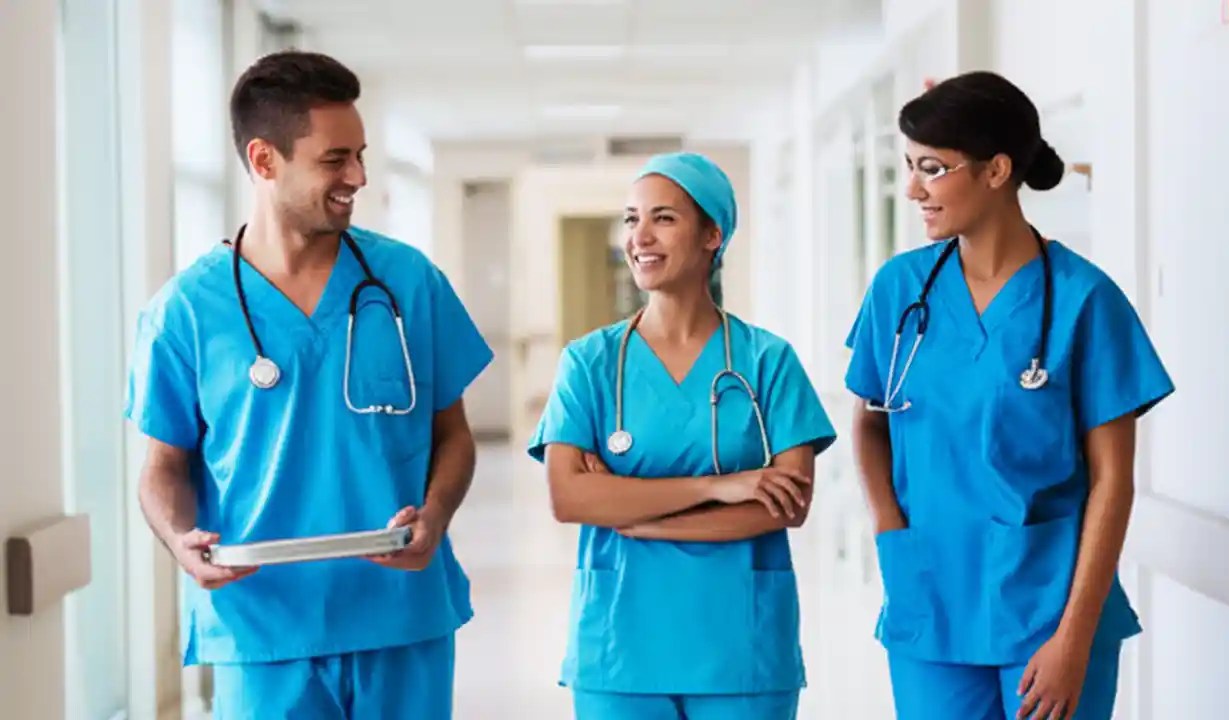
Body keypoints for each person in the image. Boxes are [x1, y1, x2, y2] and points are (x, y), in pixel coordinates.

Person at [123, 50, 492, 719]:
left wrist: (434, 515)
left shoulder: (409, 282)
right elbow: (162, 468)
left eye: (360, 154)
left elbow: (453, 436)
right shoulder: (184, 312)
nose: (358, 176)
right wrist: (181, 540)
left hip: (399, 615)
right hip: (262, 624)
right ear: (265, 161)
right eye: (334, 160)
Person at [844, 70, 1175, 720]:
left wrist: (1074, 638)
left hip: (1049, 607)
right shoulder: (899, 290)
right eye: (909, 167)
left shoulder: (1084, 300)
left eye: (932, 169)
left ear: (996, 170)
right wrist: (890, 529)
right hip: (930, 595)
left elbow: (1113, 481)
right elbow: (869, 423)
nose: (912, 189)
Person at [527, 152, 837, 720]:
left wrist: (631, 514)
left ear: (712, 235)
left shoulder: (767, 361)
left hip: (740, 649)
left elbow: (785, 506)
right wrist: (723, 486)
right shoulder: (590, 363)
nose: (639, 236)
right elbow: (569, 497)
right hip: (621, 649)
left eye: (663, 218)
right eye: (630, 218)